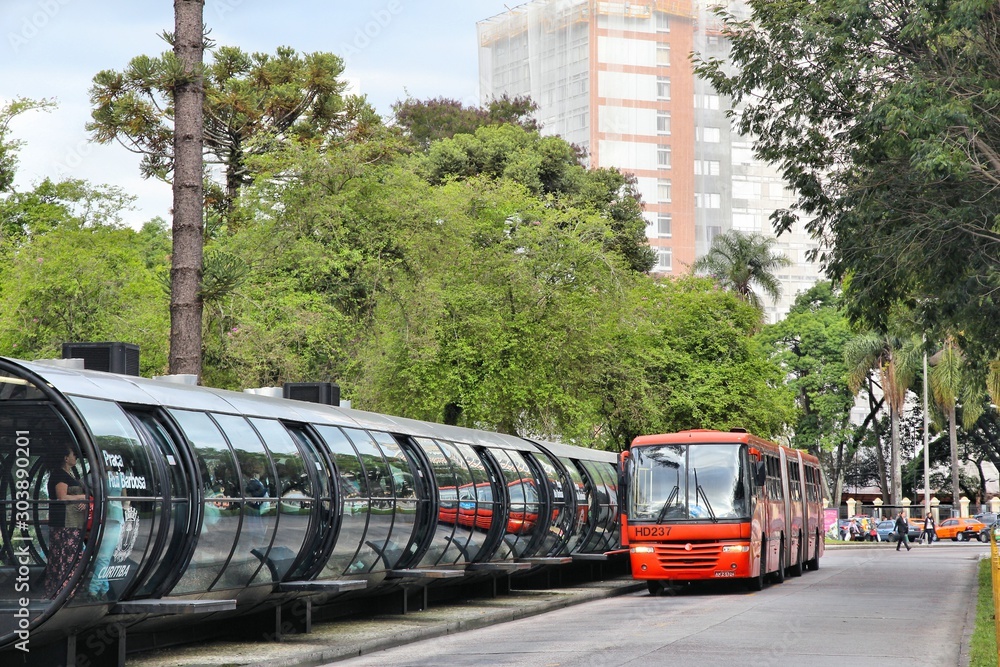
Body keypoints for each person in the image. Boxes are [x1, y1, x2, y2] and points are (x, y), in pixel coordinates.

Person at [42, 444, 89, 598]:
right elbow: (61, 497)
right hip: (64, 523)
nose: (75, 457)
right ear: (65, 458)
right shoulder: (59, 476)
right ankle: (63, 591)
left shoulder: (67, 475)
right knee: (65, 556)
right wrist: (82, 498)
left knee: (68, 555)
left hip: (72, 522)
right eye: (73, 454)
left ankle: (64, 589)